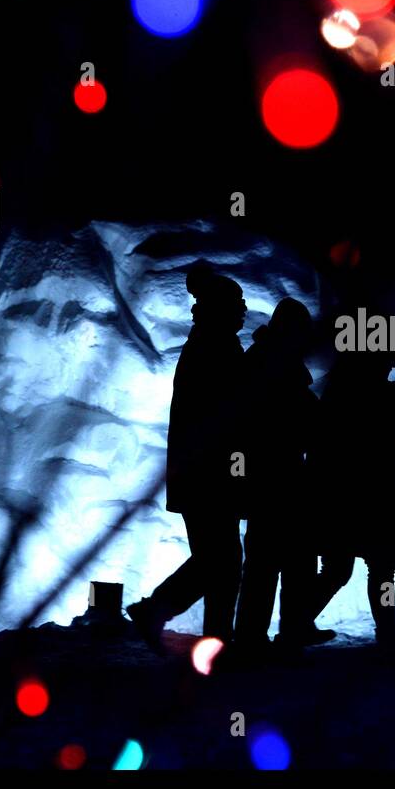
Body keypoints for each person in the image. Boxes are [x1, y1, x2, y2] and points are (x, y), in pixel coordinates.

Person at [126, 263, 247, 653]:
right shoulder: (217, 347)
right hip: (208, 476)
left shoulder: (208, 343)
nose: (243, 310)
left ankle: (200, 631)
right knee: (221, 560)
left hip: (201, 474)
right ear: (223, 308)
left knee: (219, 560)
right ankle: (163, 614)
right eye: (237, 303)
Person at [232, 298, 336, 652]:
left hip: (277, 476)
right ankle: (259, 638)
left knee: (287, 562)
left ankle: (274, 633)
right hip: (274, 476)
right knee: (274, 563)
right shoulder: (270, 365)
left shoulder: (266, 360)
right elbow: (279, 419)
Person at [307, 343, 395, 649]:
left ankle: (297, 622)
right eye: (393, 352)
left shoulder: (339, 391)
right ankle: (386, 633)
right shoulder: (386, 395)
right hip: (376, 492)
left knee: (340, 569)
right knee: (379, 568)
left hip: (347, 493)